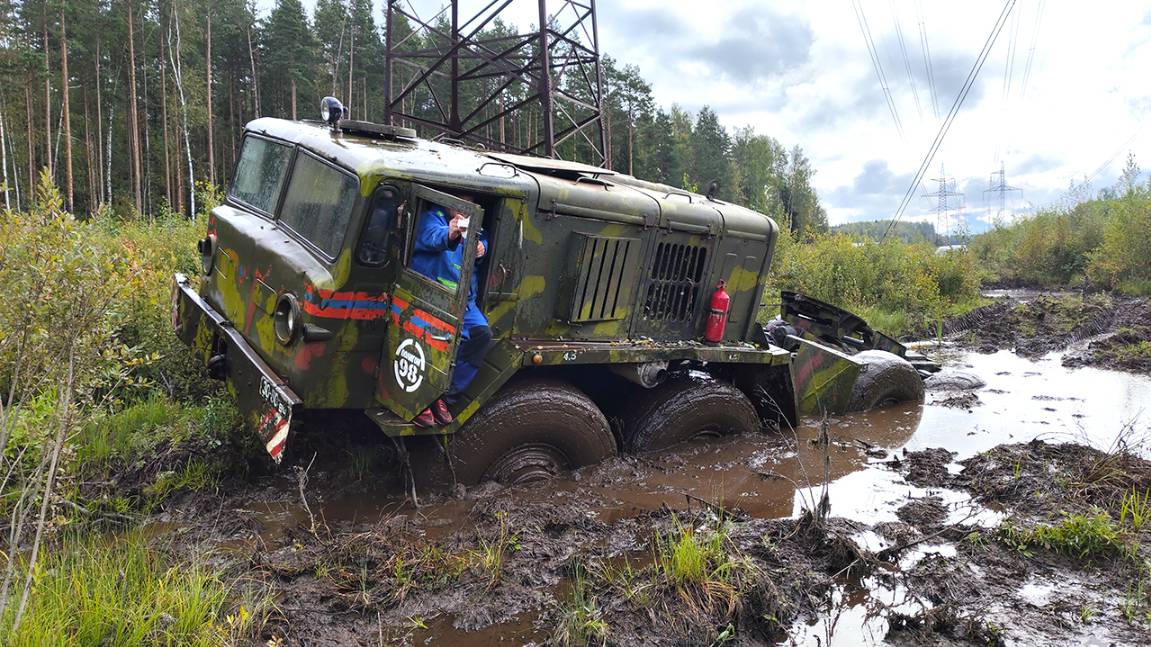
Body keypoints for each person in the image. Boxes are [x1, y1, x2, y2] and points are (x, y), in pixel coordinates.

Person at [409, 199, 492, 428]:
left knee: (481, 335)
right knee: (428, 341)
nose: (464, 206)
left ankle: (444, 395)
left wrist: (482, 248)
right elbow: (434, 236)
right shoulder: (431, 217)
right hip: (430, 296)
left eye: (469, 202)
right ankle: (418, 399)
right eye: (460, 201)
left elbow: (483, 243)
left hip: (464, 301)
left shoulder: (475, 226)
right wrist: (452, 232)